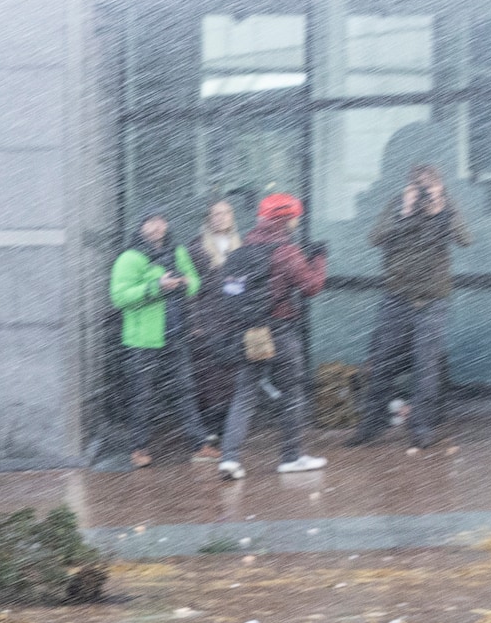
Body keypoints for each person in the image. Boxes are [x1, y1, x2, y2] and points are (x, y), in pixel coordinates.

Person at [352, 164, 469, 449]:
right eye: (418, 185)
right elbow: (375, 237)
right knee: (382, 362)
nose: (423, 191)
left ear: (439, 185)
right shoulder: (398, 204)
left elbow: (465, 239)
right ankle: (372, 422)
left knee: (425, 365)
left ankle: (422, 426)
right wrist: (402, 212)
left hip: (431, 299)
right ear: (409, 185)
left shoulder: (445, 205)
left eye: (428, 185)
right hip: (397, 295)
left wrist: (440, 209)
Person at [214, 192, 329, 481]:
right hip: (278, 328)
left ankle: (229, 458)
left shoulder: (246, 245)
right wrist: (319, 259)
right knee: (293, 389)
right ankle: (291, 457)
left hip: (251, 329)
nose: (296, 223)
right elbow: (312, 287)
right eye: (294, 218)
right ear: (286, 219)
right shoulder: (285, 250)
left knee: (245, 393)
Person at [107, 213, 209, 468]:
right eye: (150, 221)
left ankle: (199, 445)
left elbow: (195, 282)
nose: (157, 227)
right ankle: (138, 448)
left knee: (185, 391)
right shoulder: (130, 258)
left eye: (162, 221)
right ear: (141, 226)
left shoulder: (178, 251)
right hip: (142, 339)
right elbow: (119, 297)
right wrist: (155, 287)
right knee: (142, 395)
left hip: (175, 334)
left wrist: (187, 283)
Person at [189, 200, 244, 443]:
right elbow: (191, 289)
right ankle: (209, 427)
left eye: (225, 213)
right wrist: (195, 321)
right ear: (208, 219)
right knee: (208, 375)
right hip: (208, 319)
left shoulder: (240, 245)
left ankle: (226, 427)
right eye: (215, 214)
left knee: (230, 374)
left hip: (233, 319)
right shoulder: (197, 248)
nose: (221, 218)